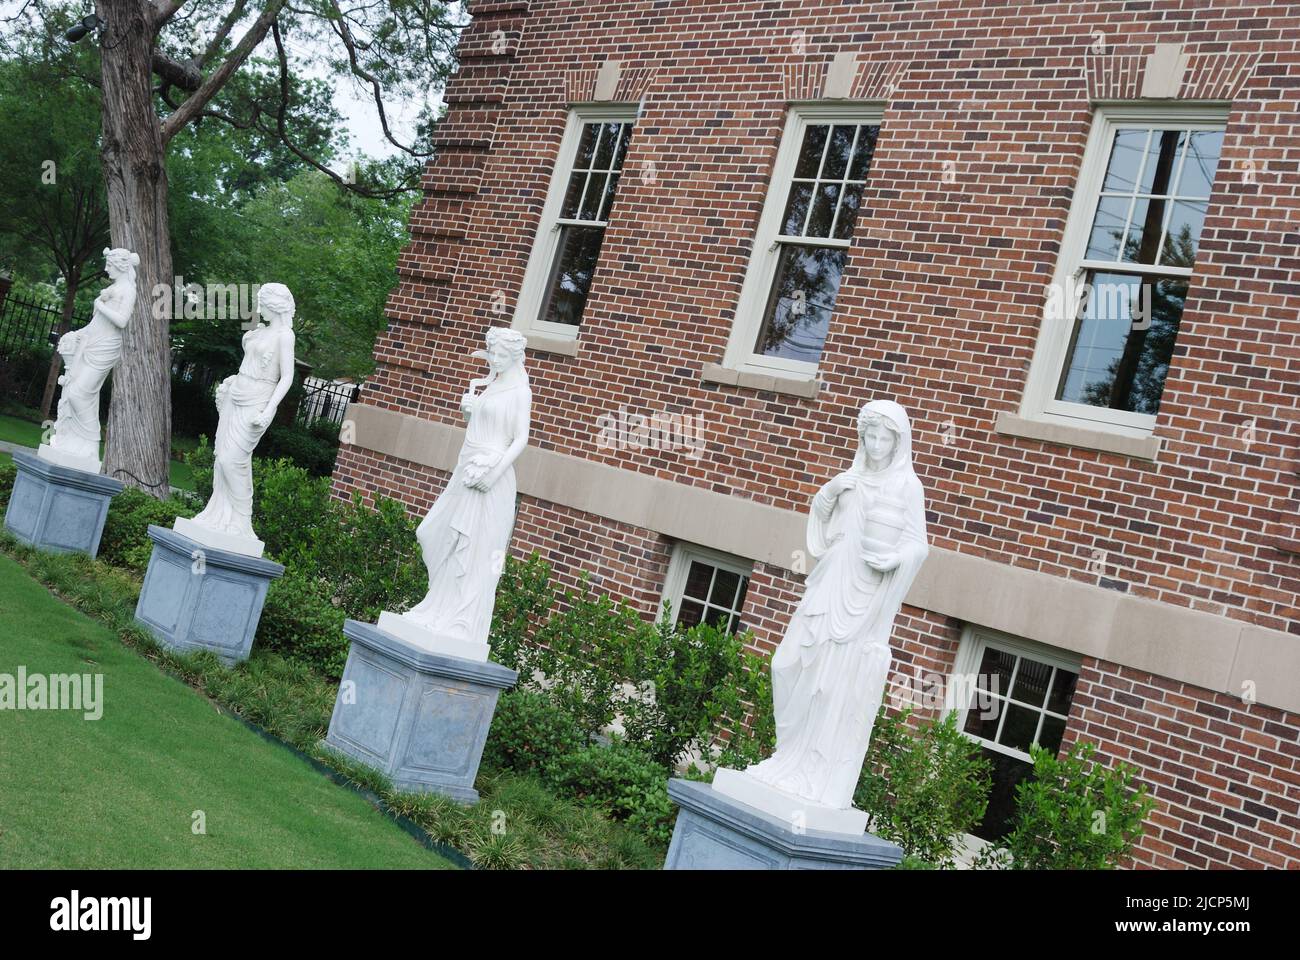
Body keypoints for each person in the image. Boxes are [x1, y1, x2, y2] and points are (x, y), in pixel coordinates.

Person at [744, 398, 929, 809]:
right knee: (787, 663)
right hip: (831, 578)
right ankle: (785, 756)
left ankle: (813, 772)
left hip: (866, 593)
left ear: (898, 442)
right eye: (871, 435)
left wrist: (895, 558)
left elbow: (918, 544)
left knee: (832, 686)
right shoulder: (850, 477)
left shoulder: (906, 486)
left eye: (885, 437)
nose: (877, 443)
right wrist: (828, 493)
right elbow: (821, 531)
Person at [401, 328, 532, 646]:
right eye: (492, 354)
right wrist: (467, 410)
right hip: (466, 469)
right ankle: (438, 608)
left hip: (491, 477)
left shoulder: (519, 391)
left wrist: (493, 473)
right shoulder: (491, 384)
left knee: (475, 549)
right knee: (437, 533)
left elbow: (520, 439)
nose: (495, 360)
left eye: (501, 355)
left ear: (514, 356)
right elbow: (478, 426)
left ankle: (460, 621)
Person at [189, 283, 296, 543]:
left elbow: (287, 377)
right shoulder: (258, 331)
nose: (260, 309)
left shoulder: (285, 336)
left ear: (277, 305)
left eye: (264, 304)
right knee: (220, 458)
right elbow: (246, 365)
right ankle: (218, 515)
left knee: (232, 459)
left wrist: (270, 410)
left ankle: (241, 520)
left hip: (257, 400)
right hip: (236, 396)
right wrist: (230, 383)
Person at [45, 247, 138, 466]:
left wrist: (99, 305)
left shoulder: (128, 290)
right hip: (92, 343)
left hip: (106, 347)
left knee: (79, 394)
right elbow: (97, 323)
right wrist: (78, 333)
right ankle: (72, 443)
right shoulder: (114, 288)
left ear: (121, 265)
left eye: (109, 264)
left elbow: (122, 321)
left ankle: (89, 444)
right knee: (74, 392)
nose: (106, 268)